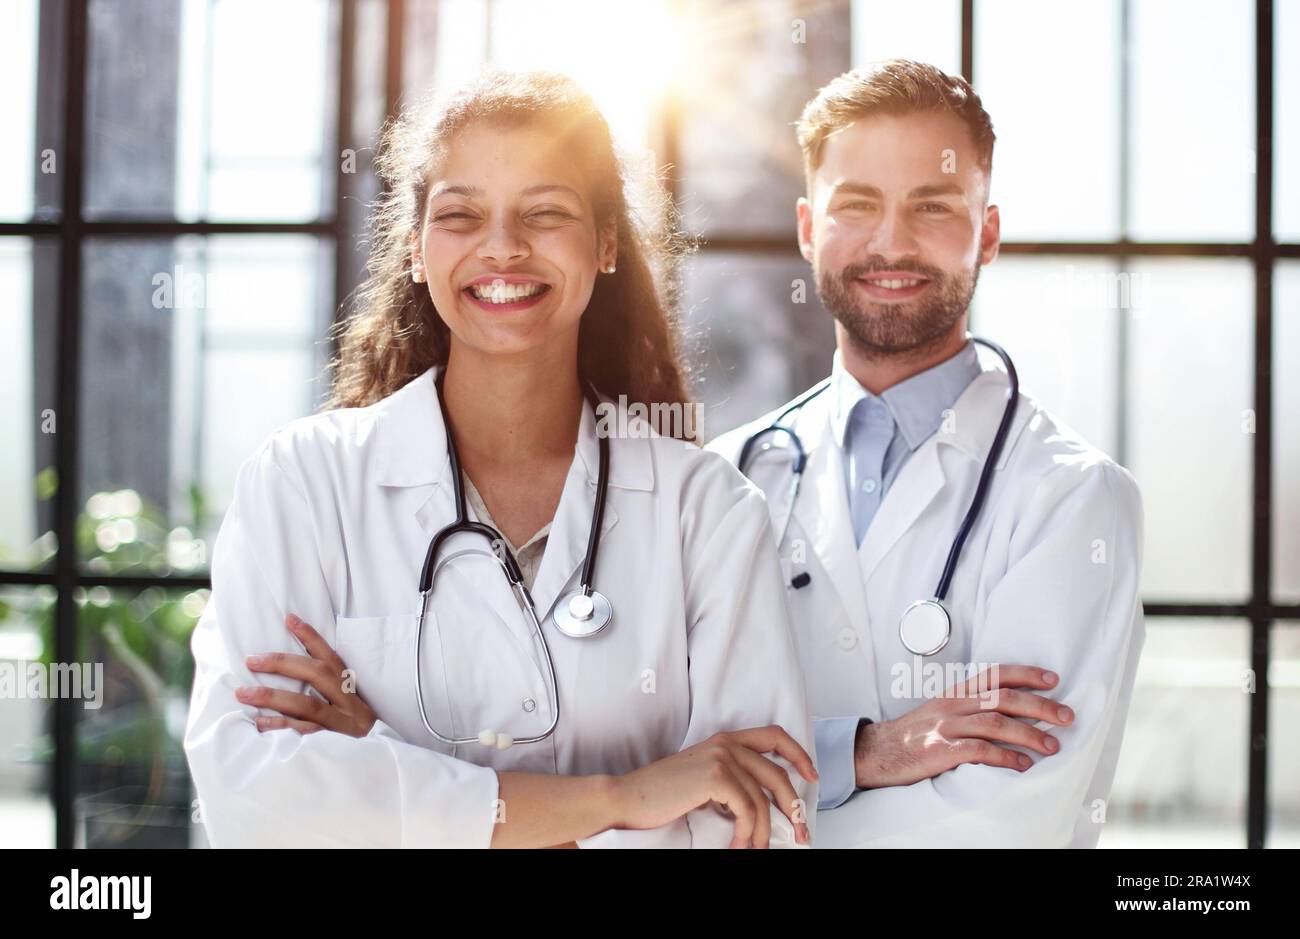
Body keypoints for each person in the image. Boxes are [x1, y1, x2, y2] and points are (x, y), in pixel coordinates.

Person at [184, 69, 817, 849]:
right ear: (416, 249)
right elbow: (255, 803)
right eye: (462, 214)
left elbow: (762, 823)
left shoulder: (706, 510)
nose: (503, 247)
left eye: (545, 213)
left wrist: (388, 771)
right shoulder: (304, 484)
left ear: (606, 243)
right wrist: (626, 797)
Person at [709, 59, 1144, 848]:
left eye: (933, 207)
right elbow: (670, 764)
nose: (891, 242)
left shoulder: (1074, 499)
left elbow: (1001, 823)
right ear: (809, 228)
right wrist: (865, 751)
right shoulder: (727, 476)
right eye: (858, 205)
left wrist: (773, 802)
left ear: (988, 233)